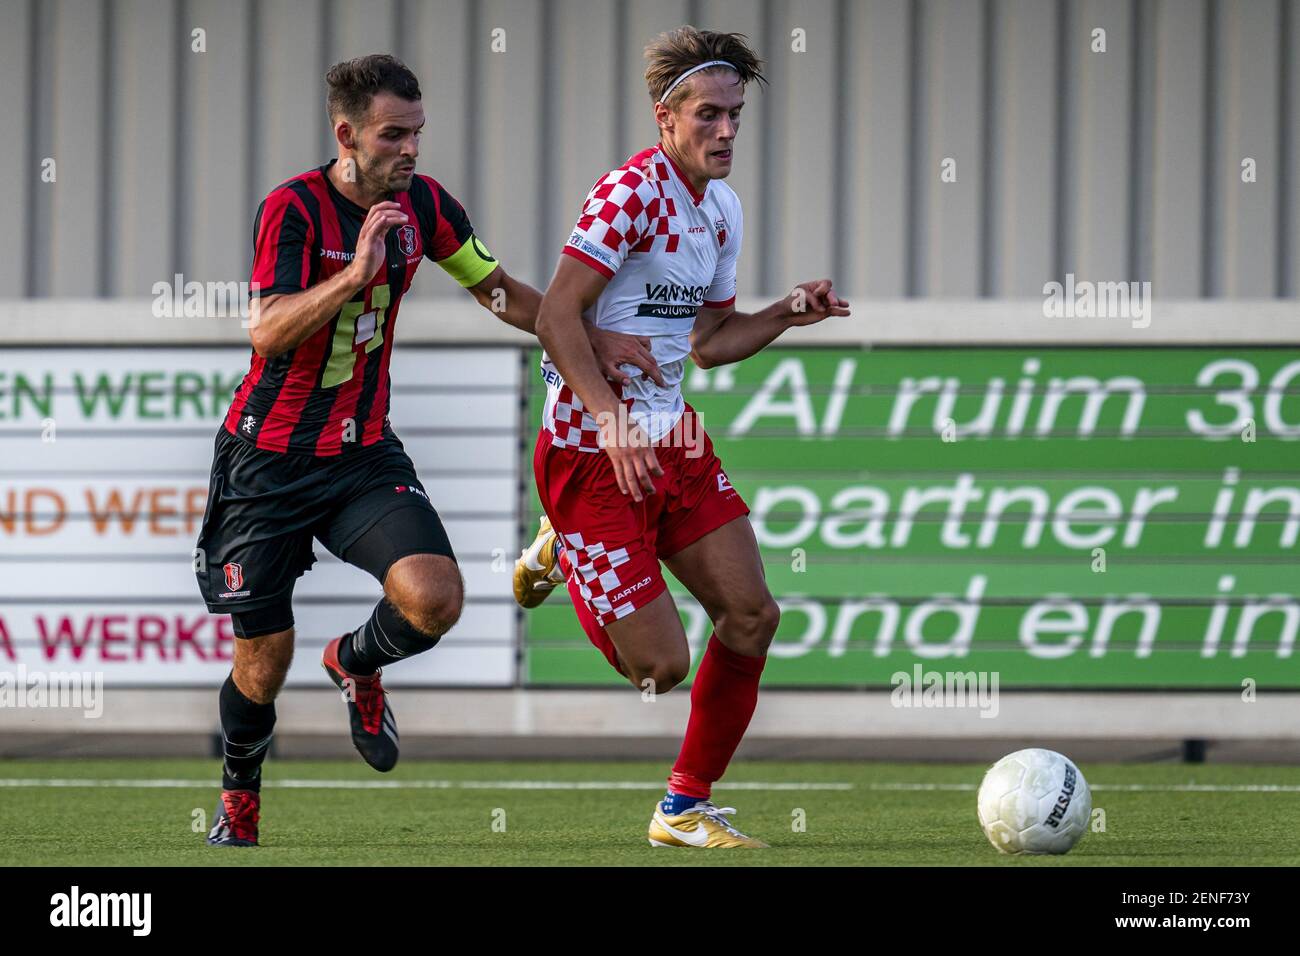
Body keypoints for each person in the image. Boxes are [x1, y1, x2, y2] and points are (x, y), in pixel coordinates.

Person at [197, 54, 657, 846]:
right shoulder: (295, 210)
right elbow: (267, 331)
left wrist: (588, 331)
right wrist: (353, 278)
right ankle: (240, 801)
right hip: (265, 463)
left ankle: (357, 663)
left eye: (417, 133)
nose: (409, 150)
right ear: (346, 134)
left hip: (362, 456)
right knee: (262, 665)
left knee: (435, 598)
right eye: (391, 135)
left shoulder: (427, 203)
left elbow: (501, 291)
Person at [515, 27, 850, 848]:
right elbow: (557, 313)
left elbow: (710, 341)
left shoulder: (723, 207)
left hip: (676, 440)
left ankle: (683, 808)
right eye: (709, 115)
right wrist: (608, 414)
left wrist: (786, 315)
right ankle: (564, 547)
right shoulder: (631, 191)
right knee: (658, 670)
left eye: (736, 115)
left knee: (752, 615)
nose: (727, 131)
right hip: (593, 449)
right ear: (667, 118)